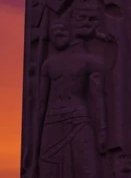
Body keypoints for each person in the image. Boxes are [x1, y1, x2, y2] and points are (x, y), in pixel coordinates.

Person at [25, 20, 108, 178]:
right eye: (54, 34)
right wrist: (34, 143)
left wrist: (102, 131)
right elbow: (41, 103)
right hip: (52, 121)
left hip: (79, 120)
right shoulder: (48, 64)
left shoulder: (91, 61)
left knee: (88, 169)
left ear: (71, 33)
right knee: (48, 169)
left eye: (62, 31)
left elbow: (98, 98)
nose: (58, 35)